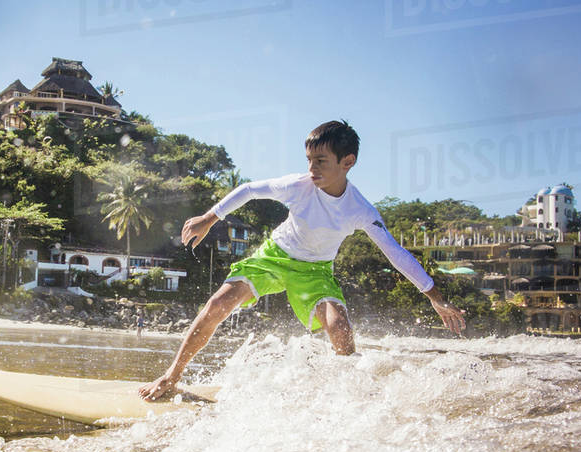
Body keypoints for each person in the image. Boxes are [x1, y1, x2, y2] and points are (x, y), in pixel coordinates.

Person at [139, 120, 466, 401]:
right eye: (309, 160)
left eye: (321, 161)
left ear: (347, 162)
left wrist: (435, 297)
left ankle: (345, 397)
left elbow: (395, 253)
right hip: (274, 255)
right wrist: (211, 217)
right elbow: (250, 189)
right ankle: (171, 377)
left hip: (316, 271)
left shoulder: (360, 210)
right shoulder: (299, 186)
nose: (312, 169)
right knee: (218, 304)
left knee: (341, 330)